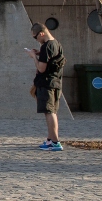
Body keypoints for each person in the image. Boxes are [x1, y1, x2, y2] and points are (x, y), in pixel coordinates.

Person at [30, 23, 66, 151]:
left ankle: (55, 142)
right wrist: (40, 54)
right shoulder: (56, 44)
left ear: (41, 33)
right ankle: (50, 139)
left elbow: (41, 68)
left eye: (35, 37)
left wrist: (34, 56)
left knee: (49, 112)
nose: (36, 40)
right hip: (56, 82)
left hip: (47, 83)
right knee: (51, 111)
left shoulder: (46, 46)